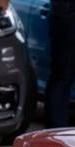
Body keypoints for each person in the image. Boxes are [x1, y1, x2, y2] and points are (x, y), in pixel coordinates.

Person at [46, 0, 75, 128]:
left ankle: (55, 131)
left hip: (64, 14)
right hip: (65, 13)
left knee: (61, 78)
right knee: (61, 78)